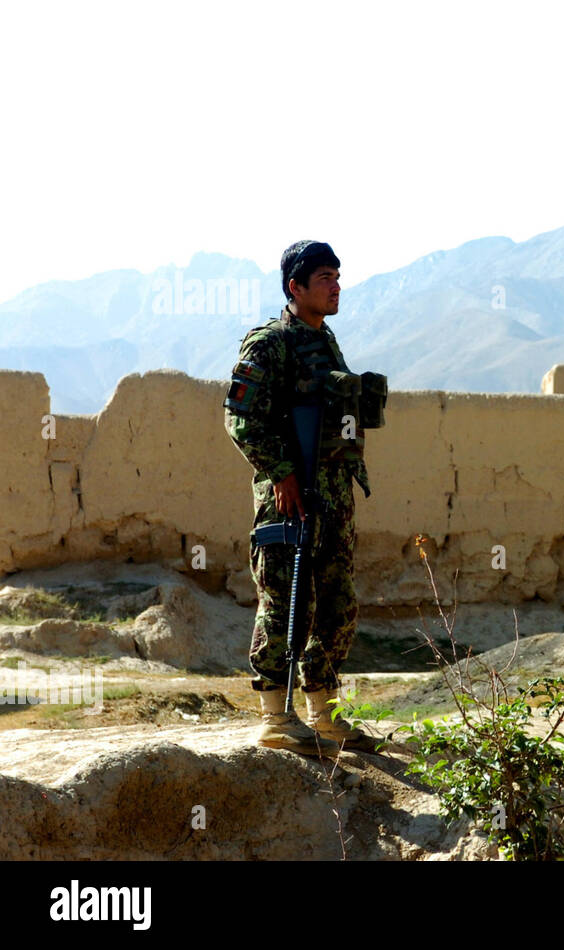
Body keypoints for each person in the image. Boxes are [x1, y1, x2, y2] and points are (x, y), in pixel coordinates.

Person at [223, 240, 387, 755]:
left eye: (337, 276)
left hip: (332, 496)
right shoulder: (269, 343)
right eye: (323, 277)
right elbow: (241, 418)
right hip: (289, 497)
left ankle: (326, 714)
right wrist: (282, 473)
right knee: (285, 601)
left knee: (337, 604)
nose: (335, 285)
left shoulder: (326, 340)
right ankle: (276, 716)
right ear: (295, 287)